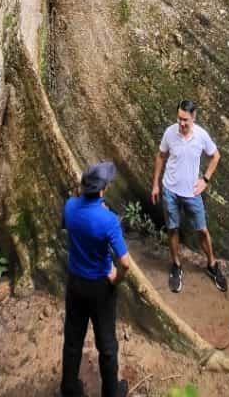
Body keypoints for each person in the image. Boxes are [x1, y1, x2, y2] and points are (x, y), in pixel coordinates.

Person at [61, 161, 131, 397]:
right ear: (102, 190)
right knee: (107, 344)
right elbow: (125, 262)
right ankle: (111, 392)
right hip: (100, 286)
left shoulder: (70, 207)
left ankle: (69, 388)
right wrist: (117, 278)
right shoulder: (108, 219)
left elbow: (67, 229)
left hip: (75, 282)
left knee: (73, 337)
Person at [150, 99, 227, 294]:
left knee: (202, 230)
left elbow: (215, 156)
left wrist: (205, 179)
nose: (182, 123)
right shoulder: (170, 132)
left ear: (194, 117)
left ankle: (212, 264)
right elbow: (160, 156)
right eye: (179, 119)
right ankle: (176, 266)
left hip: (192, 193)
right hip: (170, 190)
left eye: (186, 119)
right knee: (173, 229)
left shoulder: (201, 135)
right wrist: (155, 185)